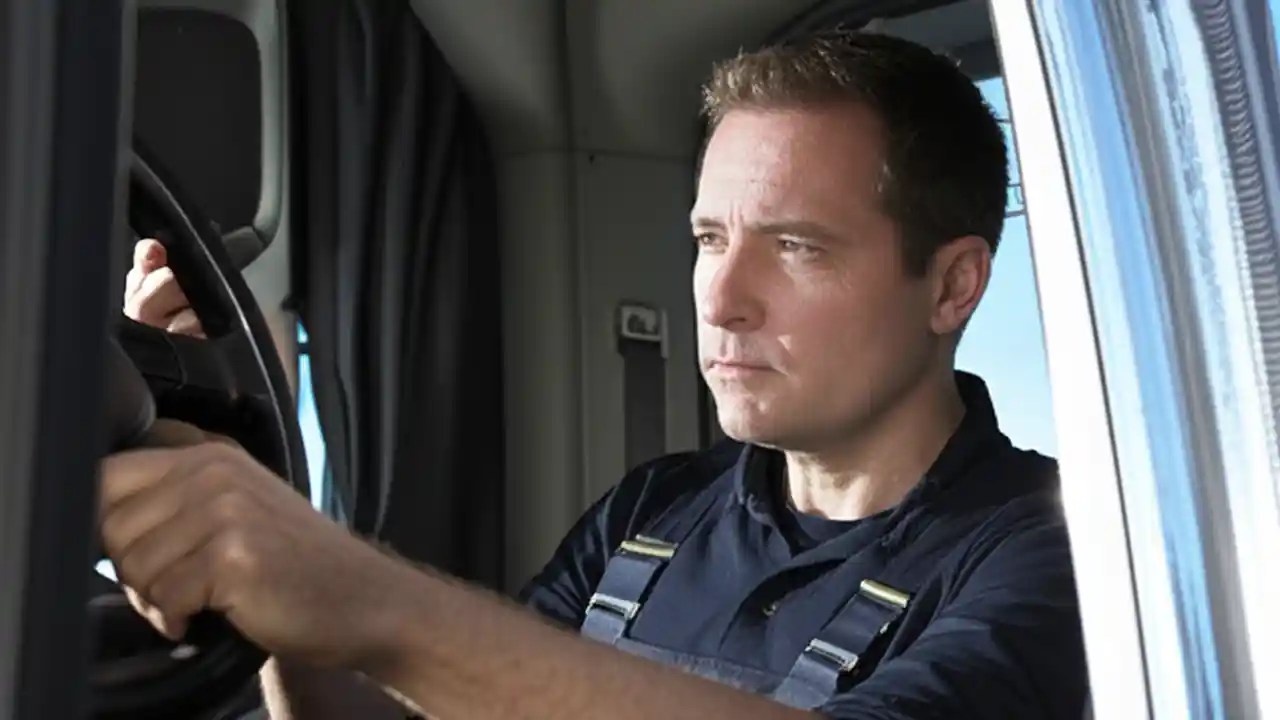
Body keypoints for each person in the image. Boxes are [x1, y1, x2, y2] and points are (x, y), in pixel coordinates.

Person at [105, 31, 1087, 719]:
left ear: (952, 286)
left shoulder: (1058, 556)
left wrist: (366, 597)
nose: (720, 298)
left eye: (795, 247)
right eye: (709, 238)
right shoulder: (653, 513)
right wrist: (254, 515)